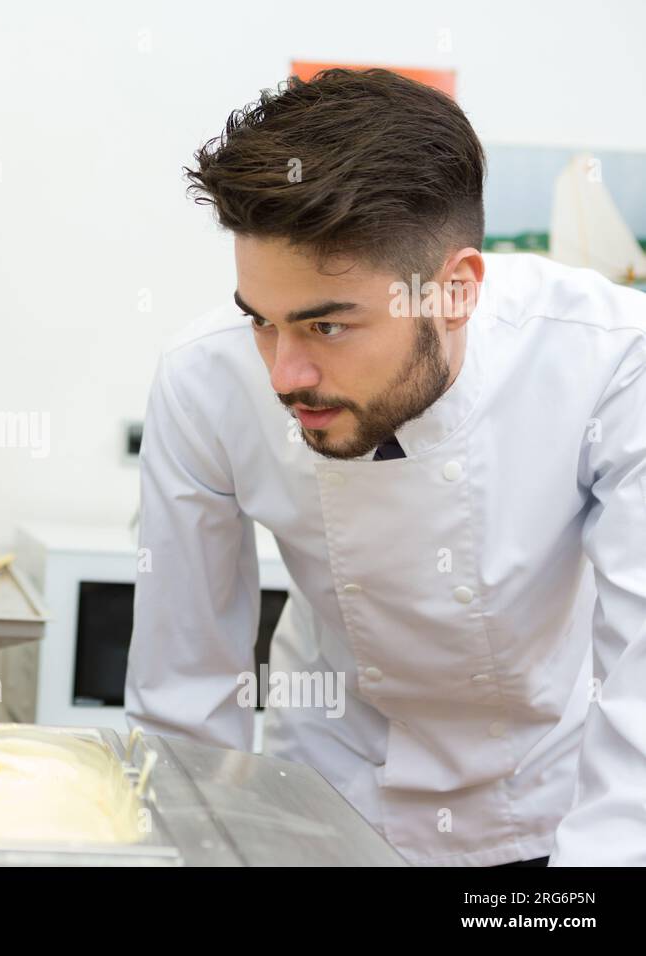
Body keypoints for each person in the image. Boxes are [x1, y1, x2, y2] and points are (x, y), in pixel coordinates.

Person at [125, 68, 646, 866]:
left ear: (455, 292)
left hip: (549, 806)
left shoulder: (608, 359)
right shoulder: (204, 380)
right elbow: (184, 694)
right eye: (261, 322)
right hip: (319, 797)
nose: (283, 375)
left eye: (327, 327)